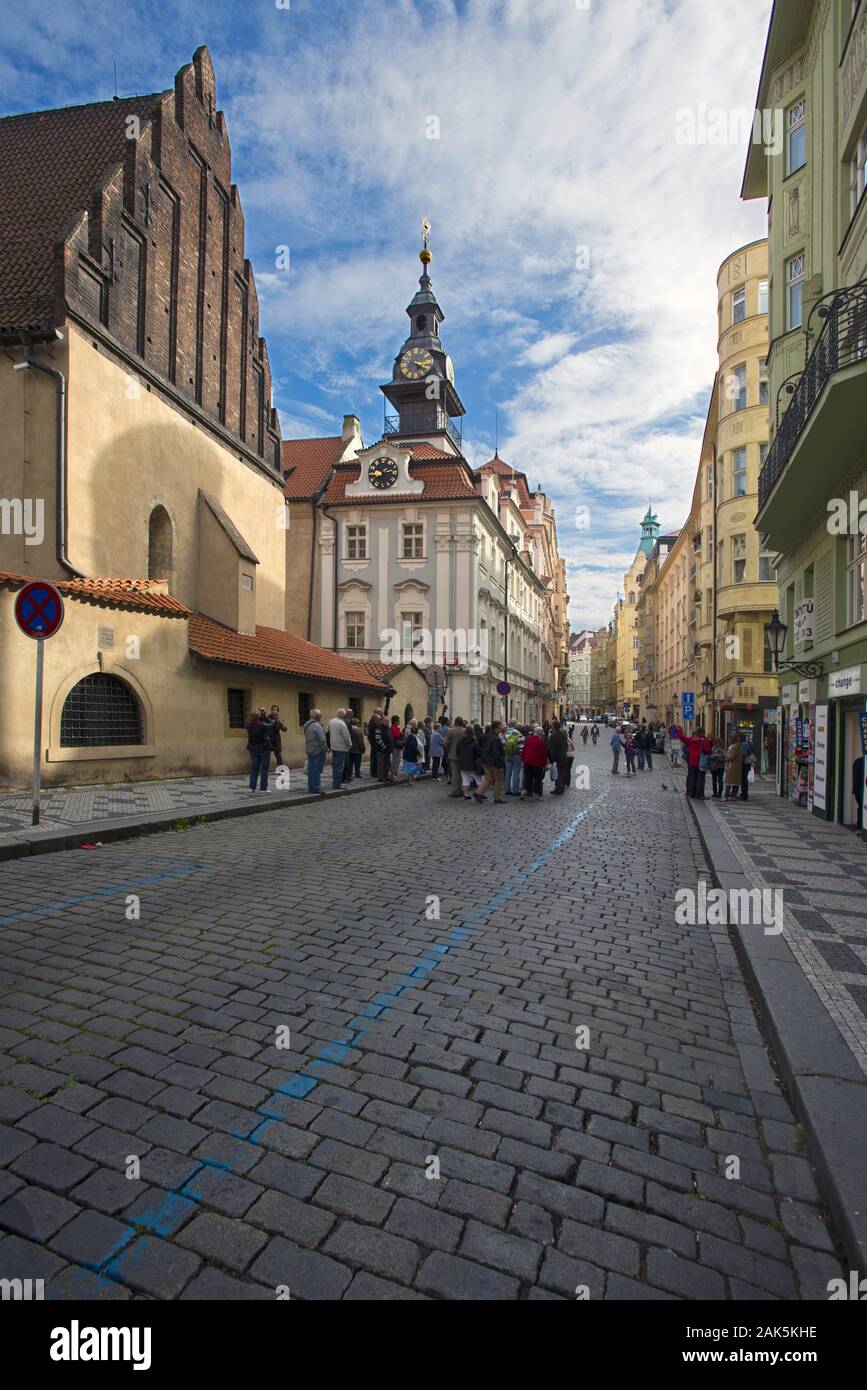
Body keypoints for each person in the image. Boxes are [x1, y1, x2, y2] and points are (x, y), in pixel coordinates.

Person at [475, 720, 506, 804]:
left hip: (485, 760)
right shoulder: (496, 738)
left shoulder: (488, 735)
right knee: (499, 779)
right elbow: (496, 753)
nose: (502, 727)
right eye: (501, 726)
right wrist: (499, 765)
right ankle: (497, 798)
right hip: (493, 762)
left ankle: (477, 793)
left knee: (488, 778)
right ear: (497, 728)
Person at [677, 726, 713, 798]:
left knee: (693, 777)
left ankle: (692, 793)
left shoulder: (691, 739)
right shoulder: (704, 741)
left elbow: (683, 738)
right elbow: (709, 751)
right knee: (701, 779)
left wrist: (678, 732)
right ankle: (699, 794)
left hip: (692, 761)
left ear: (696, 733)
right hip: (700, 762)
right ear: (702, 733)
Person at [246, 708, 273, 794]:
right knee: (264, 769)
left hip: (253, 748)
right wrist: (265, 715)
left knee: (254, 768)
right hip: (264, 749)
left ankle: (252, 787)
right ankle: (263, 788)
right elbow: (271, 724)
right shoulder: (263, 725)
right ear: (259, 716)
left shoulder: (248, 725)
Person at [327, 709, 352, 791]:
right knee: (340, 767)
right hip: (341, 748)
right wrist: (349, 745)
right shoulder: (342, 724)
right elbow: (346, 736)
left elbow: (328, 732)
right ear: (343, 715)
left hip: (333, 746)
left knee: (335, 766)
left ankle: (335, 782)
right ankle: (337, 784)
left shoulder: (331, 721)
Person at [304, 709, 327, 797]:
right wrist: (325, 748)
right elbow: (322, 739)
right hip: (317, 749)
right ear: (317, 716)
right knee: (316, 770)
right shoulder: (317, 726)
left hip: (309, 748)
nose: (321, 717)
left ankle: (311, 787)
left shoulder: (307, 724)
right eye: (320, 715)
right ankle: (316, 787)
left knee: (311, 769)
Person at [521, 726, 548, 800]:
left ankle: (524, 792)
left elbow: (524, 750)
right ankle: (535, 794)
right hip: (536, 763)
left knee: (528, 777)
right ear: (540, 733)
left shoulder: (528, 739)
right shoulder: (540, 741)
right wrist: (544, 764)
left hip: (527, 761)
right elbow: (543, 754)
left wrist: (523, 759)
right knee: (538, 778)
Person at [457, 723, 481, 800]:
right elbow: (477, 752)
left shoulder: (460, 740)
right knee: (478, 779)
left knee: (465, 778)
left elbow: (457, 751)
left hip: (463, 762)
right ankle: (480, 793)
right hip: (472, 762)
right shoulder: (474, 741)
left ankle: (466, 794)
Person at [444, 717, 466, 798]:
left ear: (455, 722)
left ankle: (456, 790)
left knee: (454, 774)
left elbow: (446, 743)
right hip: (463, 755)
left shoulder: (451, 730)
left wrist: (447, 752)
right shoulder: (465, 730)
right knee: (462, 773)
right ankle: (463, 789)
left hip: (453, 754)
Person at [547, 720, 569, 795]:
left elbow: (549, 747)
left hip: (557, 757)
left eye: (552, 725)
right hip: (563, 756)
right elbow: (566, 745)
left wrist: (550, 758)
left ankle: (559, 789)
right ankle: (561, 788)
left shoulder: (554, 735)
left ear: (554, 726)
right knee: (561, 773)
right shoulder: (563, 734)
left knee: (558, 773)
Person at [503, 723, 524, 796]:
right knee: (516, 772)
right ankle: (515, 790)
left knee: (507, 772)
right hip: (516, 755)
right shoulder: (519, 735)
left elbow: (503, 743)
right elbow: (521, 747)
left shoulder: (507, 733)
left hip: (507, 754)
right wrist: (521, 756)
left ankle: (507, 789)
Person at [374, 716, 395, 784]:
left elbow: (390, 737)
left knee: (387, 764)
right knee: (381, 764)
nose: (387, 722)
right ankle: (381, 777)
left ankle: (386, 776)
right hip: (381, 750)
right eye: (386, 720)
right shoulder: (379, 728)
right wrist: (384, 746)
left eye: (388, 721)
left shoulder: (388, 728)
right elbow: (378, 739)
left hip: (388, 750)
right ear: (382, 721)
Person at [267, 705, 287, 773]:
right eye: (273, 709)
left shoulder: (279, 719)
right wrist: (275, 722)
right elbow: (268, 723)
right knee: (266, 755)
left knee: (278, 755)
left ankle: (280, 770)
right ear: (271, 710)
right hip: (268, 739)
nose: (274, 711)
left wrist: (282, 724)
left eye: (276, 710)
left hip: (276, 740)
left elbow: (284, 729)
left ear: (278, 712)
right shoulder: (267, 718)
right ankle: (265, 769)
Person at [402, 721, 422, 785]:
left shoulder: (413, 736)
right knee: (411, 769)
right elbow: (413, 747)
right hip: (410, 755)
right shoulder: (412, 737)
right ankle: (410, 781)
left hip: (411, 755)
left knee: (413, 768)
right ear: (416, 732)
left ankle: (413, 780)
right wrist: (419, 753)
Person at [724, 732, 743, 801]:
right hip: (737, 766)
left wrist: (725, 755)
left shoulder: (734, 747)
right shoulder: (738, 746)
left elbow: (730, 757)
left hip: (732, 766)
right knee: (735, 783)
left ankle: (726, 796)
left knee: (729, 782)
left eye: (729, 739)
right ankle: (733, 796)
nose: (729, 740)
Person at [739, 733, 757, 801]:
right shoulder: (746, 743)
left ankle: (744, 795)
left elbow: (744, 754)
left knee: (744, 780)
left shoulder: (743, 744)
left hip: (744, 764)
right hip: (746, 764)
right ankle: (743, 794)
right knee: (744, 779)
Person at [367, 708, 382, 778]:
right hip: (374, 742)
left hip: (374, 741)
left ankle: (375, 771)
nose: (382, 713)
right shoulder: (374, 720)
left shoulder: (375, 719)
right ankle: (374, 772)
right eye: (380, 712)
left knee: (375, 757)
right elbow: (373, 731)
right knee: (374, 757)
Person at [853, 754, 864, 829]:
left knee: (860, 807)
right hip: (862, 790)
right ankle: (861, 826)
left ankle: (859, 825)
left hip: (856, 790)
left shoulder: (857, 761)